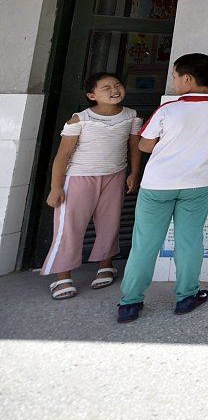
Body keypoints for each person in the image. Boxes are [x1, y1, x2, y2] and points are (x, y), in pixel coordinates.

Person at [117, 53, 208, 323]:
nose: (175, 82)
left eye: (175, 77)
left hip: (158, 185)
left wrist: (170, 147)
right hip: (198, 184)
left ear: (188, 78)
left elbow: (145, 144)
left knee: (145, 242)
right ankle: (186, 297)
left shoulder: (169, 109)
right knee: (190, 241)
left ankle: (130, 302)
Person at [40, 72, 143, 299]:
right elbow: (63, 155)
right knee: (69, 226)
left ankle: (106, 265)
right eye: (105, 88)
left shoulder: (132, 116)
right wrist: (56, 187)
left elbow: (135, 147)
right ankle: (62, 276)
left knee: (110, 222)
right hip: (79, 178)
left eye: (117, 85)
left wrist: (134, 173)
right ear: (91, 95)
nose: (114, 90)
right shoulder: (80, 119)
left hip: (114, 176)